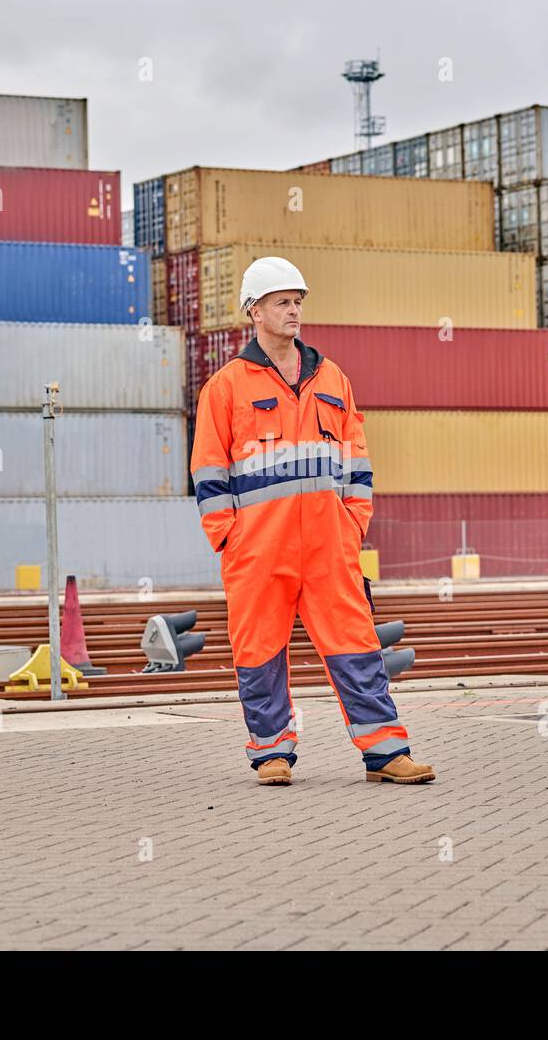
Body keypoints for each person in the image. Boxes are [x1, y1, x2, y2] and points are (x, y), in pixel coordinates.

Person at [189, 256, 436, 786]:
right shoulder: (226, 387)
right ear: (253, 311)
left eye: (298, 301)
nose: (294, 310)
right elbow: (208, 473)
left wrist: (352, 524)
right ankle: (272, 753)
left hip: (329, 544)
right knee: (259, 653)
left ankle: (386, 753)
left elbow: (357, 461)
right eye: (282, 301)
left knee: (357, 646)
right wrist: (229, 538)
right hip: (258, 549)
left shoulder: (332, 378)